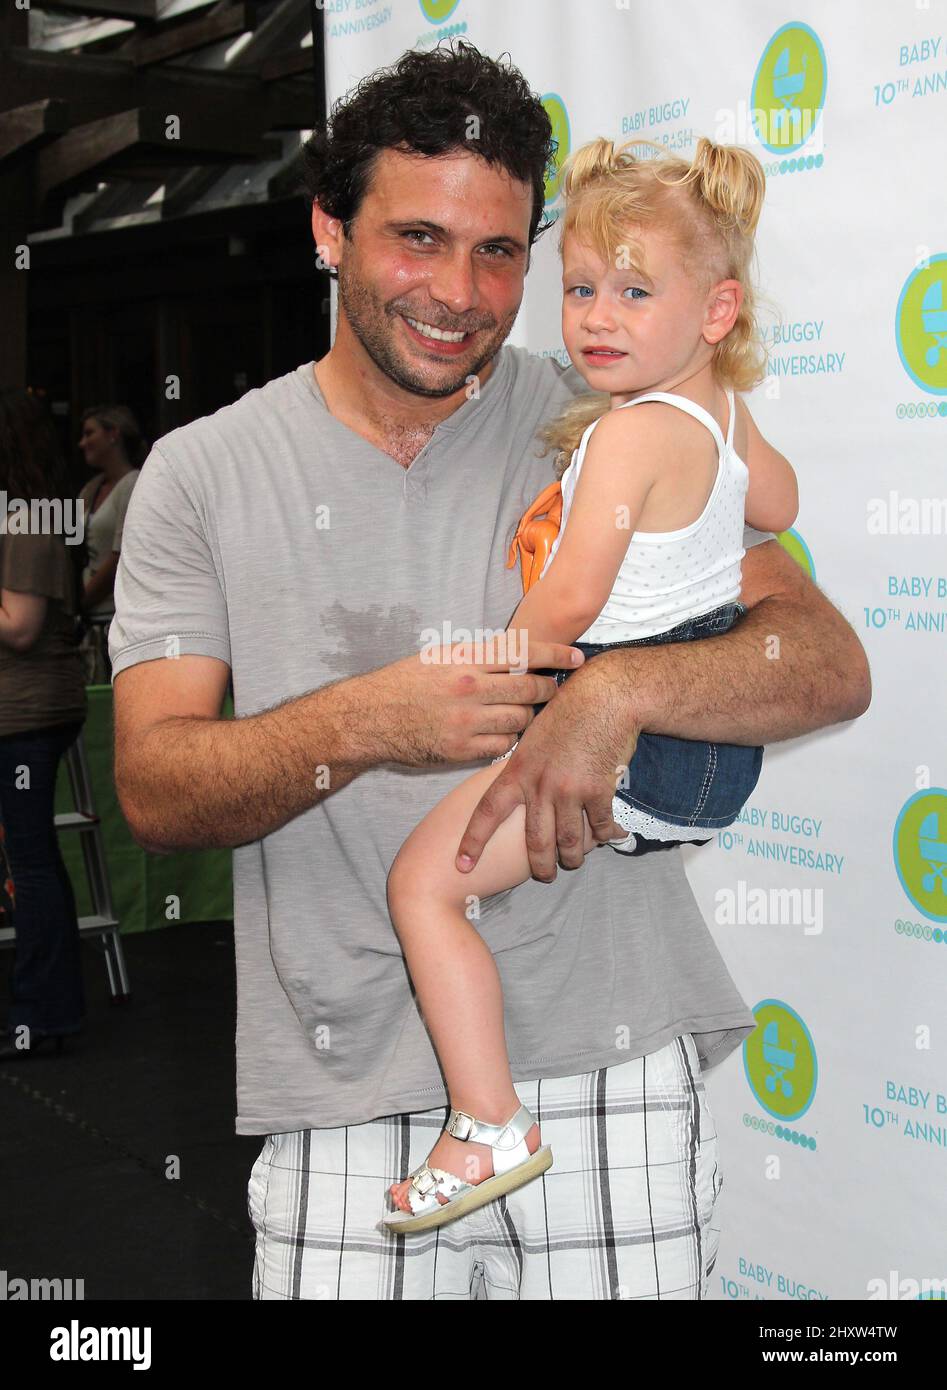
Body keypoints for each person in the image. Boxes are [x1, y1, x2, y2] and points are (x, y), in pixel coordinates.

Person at [109, 42, 869, 1299]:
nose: (458, 292)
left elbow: (824, 663)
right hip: (338, 1092)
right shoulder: (201, 473)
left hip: (609, 1065)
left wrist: (613, 695)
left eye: (500, 252)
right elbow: (154, 788)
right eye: (417, 238)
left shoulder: (605, 413)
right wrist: (367, 721)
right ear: (327, 231)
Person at [382, 134, 799, 1231]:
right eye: (578, 290)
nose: (596, 319)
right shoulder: (718, 412)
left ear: (713, 311)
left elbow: (566, 605)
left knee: (423, 887)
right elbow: (777, 506)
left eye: (632, 292)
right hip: (710, 762)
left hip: (625, 742)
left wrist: (483, 678)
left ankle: (487, 1124)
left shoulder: (628, 436)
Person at [0, 389, 88, 1061]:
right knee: (30, 862)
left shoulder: (28, 519)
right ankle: (43, 1010)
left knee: (29, 865)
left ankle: (43, 1013)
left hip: (25, 713)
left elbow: (20, 627)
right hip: (21, 710)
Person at [77, 404, 143, 683]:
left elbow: (120, 556)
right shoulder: (90, 488)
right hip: (88, 619)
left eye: (89, 433)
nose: (82, 443)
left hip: (111, 616)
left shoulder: (132, 484)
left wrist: (80, 601)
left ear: (113, 433)